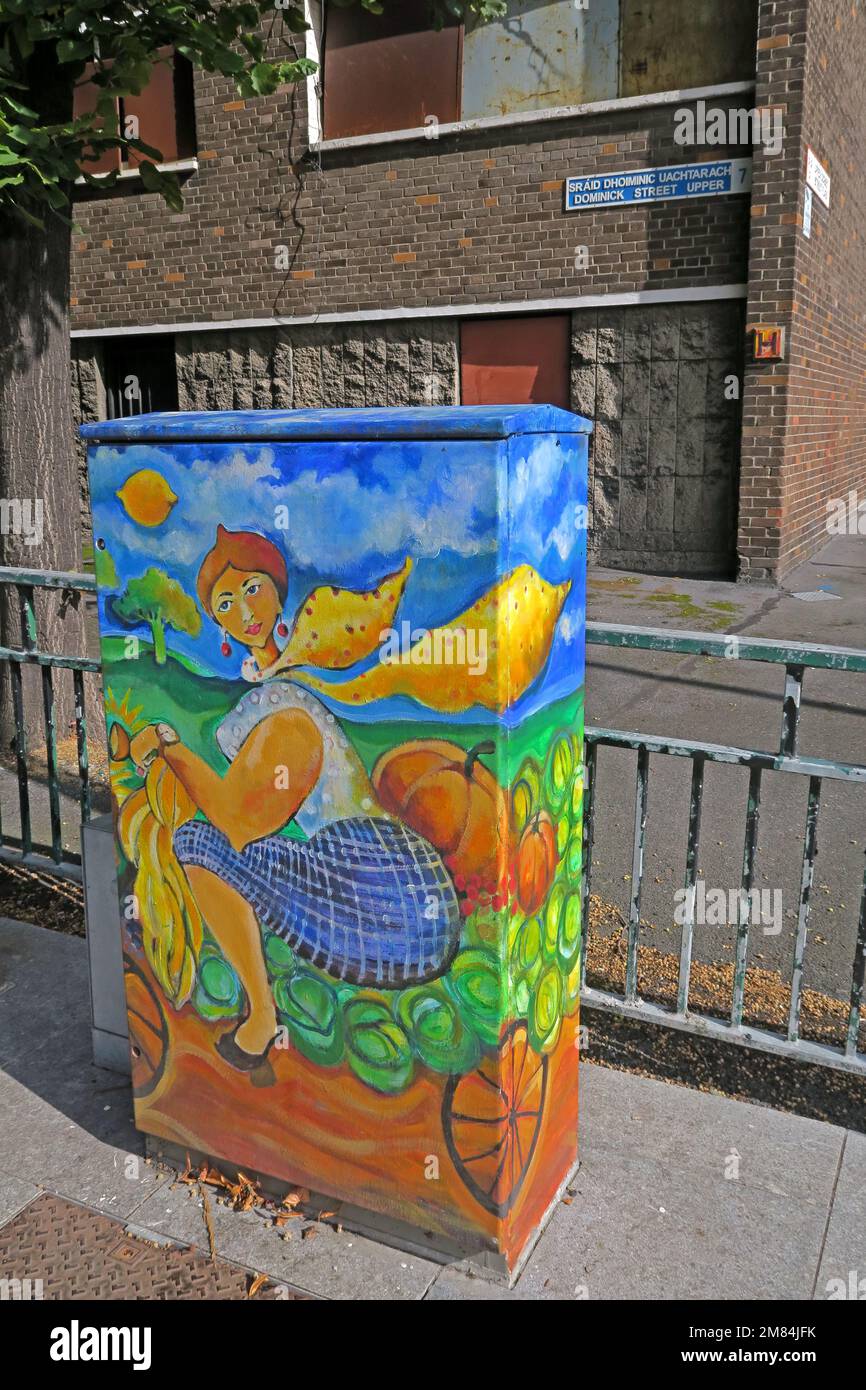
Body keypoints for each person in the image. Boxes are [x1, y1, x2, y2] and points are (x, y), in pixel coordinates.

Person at [122, 526, 460, 1074]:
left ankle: (261, 1019)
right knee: (209, 841)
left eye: (252, 589)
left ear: (280, 592)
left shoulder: (288, 711)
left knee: (197, 842)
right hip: (401, 895)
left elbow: (233, 824)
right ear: (218, 624)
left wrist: (167, 749)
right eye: (225, 603)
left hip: (385, 893)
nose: (243, 611)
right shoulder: (278, 692)